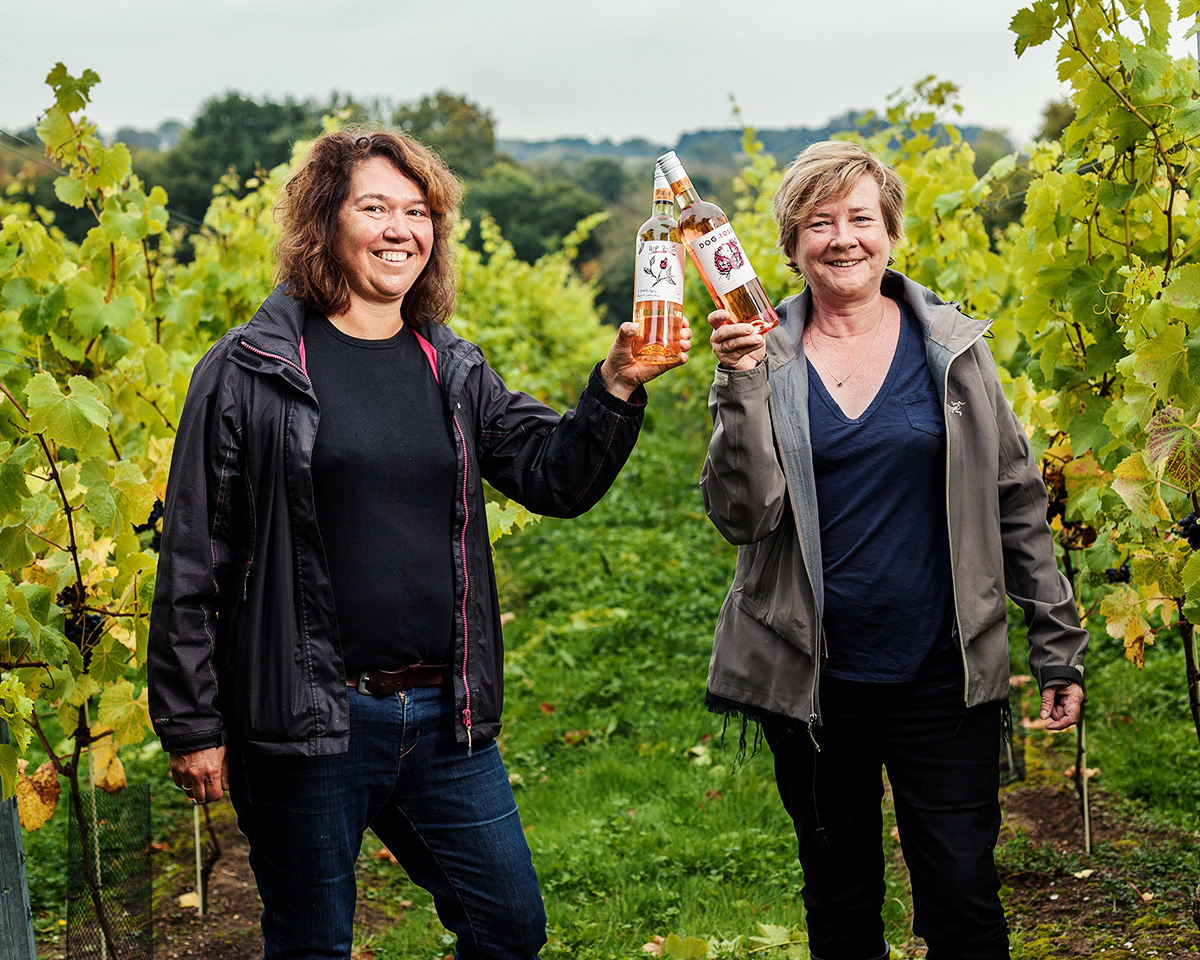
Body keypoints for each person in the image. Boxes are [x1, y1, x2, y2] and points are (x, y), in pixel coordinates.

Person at [147, 128, 690, 960]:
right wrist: (191, 723)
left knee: (508, 926)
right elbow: (195, 555)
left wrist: (616, 385)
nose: (402, 228)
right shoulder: (248, 369)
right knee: (312, 943)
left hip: (444, 717)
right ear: (325, 222)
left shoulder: (452, 365)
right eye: (375, 207)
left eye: (418, 211)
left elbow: (554, 478)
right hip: (308, 718)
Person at [700, 140, 1086, 960]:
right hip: (811, 679)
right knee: (840, 899)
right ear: (792, 244)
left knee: (961, 895)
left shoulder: (953, 350)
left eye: (859, 219)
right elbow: (744, 513)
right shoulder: (760, 354)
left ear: (890, 231)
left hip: (943, 672)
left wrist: (1058, 647)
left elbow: (1016, 500)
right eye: (819, 223)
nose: (842, 238)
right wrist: (739, 386)